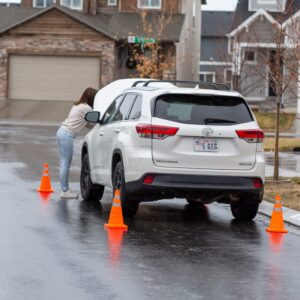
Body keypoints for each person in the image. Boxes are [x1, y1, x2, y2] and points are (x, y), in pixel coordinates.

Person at [57, 87, 97, 199]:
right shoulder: (87, 108)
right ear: (92, 98)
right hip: (67, 135)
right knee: (66, 164)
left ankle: (64, 189)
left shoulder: (77, 106)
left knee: (63, 162)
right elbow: (94, 120)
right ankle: (65, 191)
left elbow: (86, 123)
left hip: (62, 132)